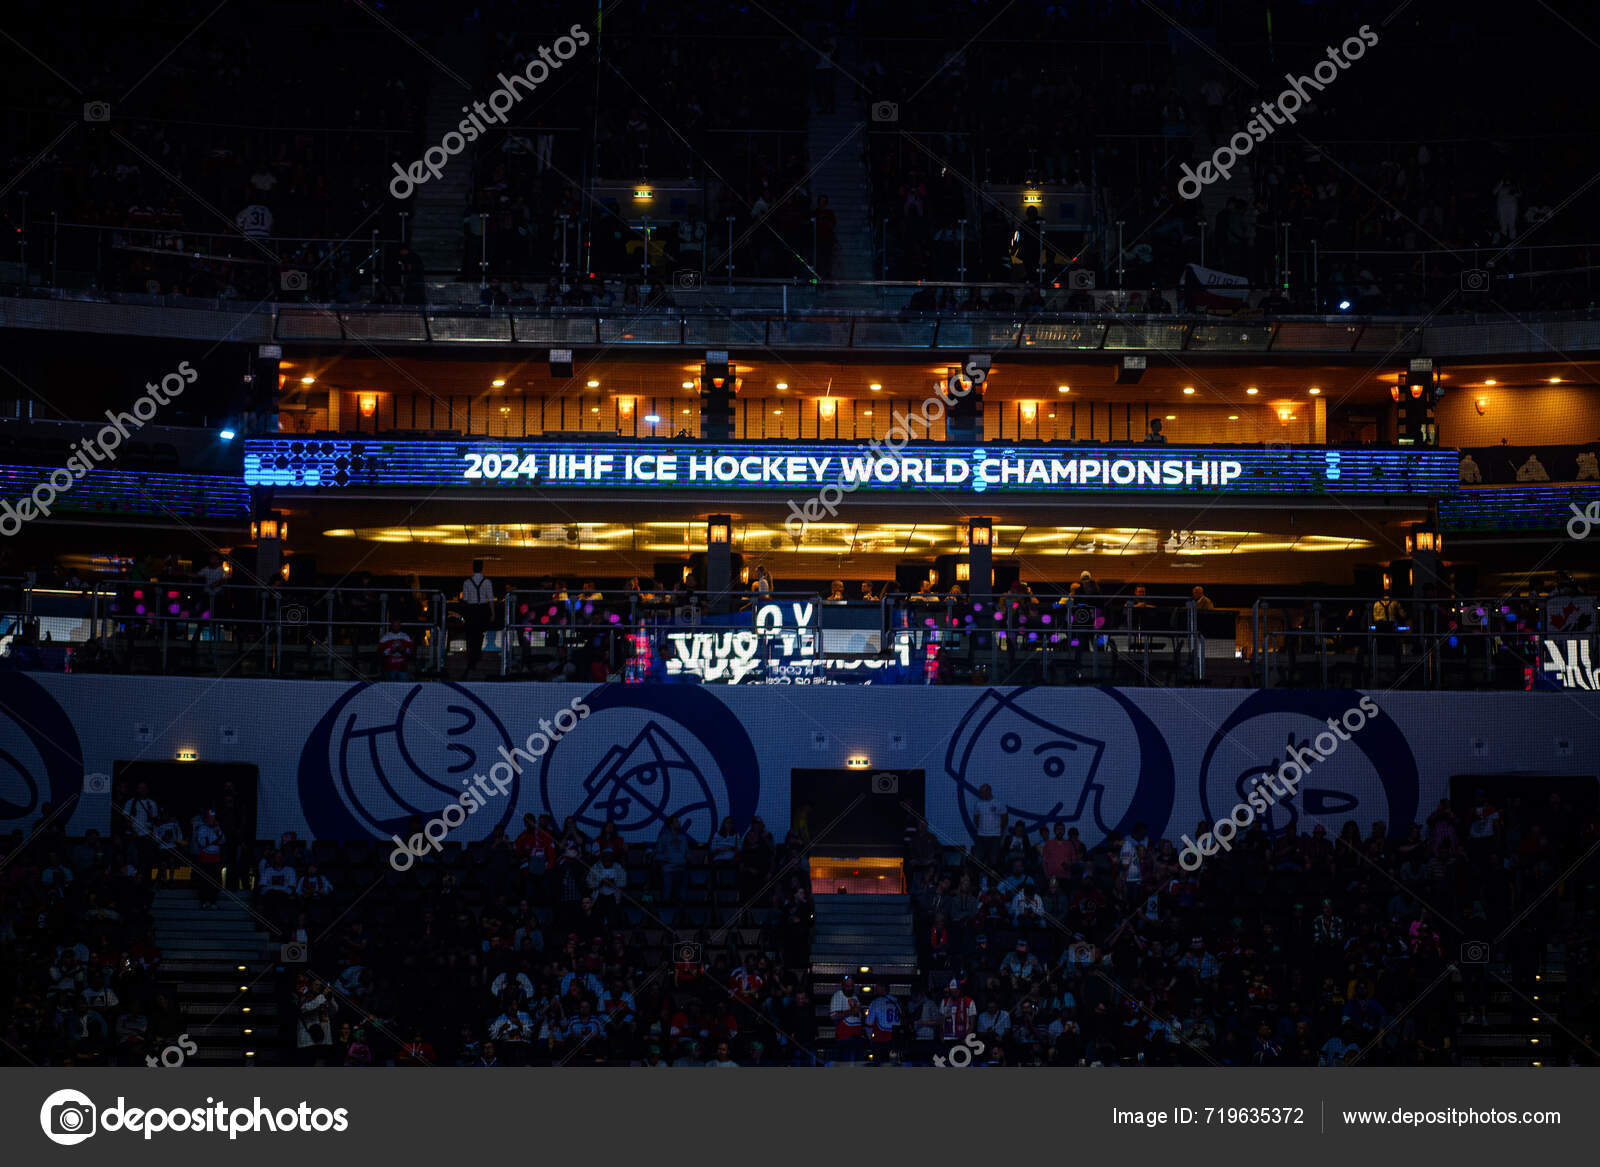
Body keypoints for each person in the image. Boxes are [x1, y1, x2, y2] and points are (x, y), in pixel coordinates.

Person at [461, 560, 494, 675]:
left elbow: (465, 599)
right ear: (482, 568)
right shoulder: (487, 582)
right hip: (482, 609)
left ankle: (471, 659)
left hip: (471, 610)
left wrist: (465, 614)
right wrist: (492, 613)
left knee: (470, 636)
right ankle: (476, 656)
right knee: (479, 635)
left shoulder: (467, 582)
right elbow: (490, 599)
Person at [970, 782, 1007, 871]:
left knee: (993, 860)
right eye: (980, 792)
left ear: (989, 791)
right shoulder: (978, 804)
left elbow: (1005, 819)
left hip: (995, 836)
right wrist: (982, 829)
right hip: (981, 835)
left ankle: (992, 878)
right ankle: (978, 878)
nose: (980, 794)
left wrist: (998, 831)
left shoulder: (998, 803)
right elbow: (976, 818)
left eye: (982, 792)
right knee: (977, 858)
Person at [829, 975, 864, 1061]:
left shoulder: (855, 996)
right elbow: (833, 1016)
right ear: (843, 986)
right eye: (848, 986)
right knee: (845, 1064)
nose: (850, 988)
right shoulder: (838, 996)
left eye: (852, 986)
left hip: (857, 1036)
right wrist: (852, 1011)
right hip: (844, 1037)